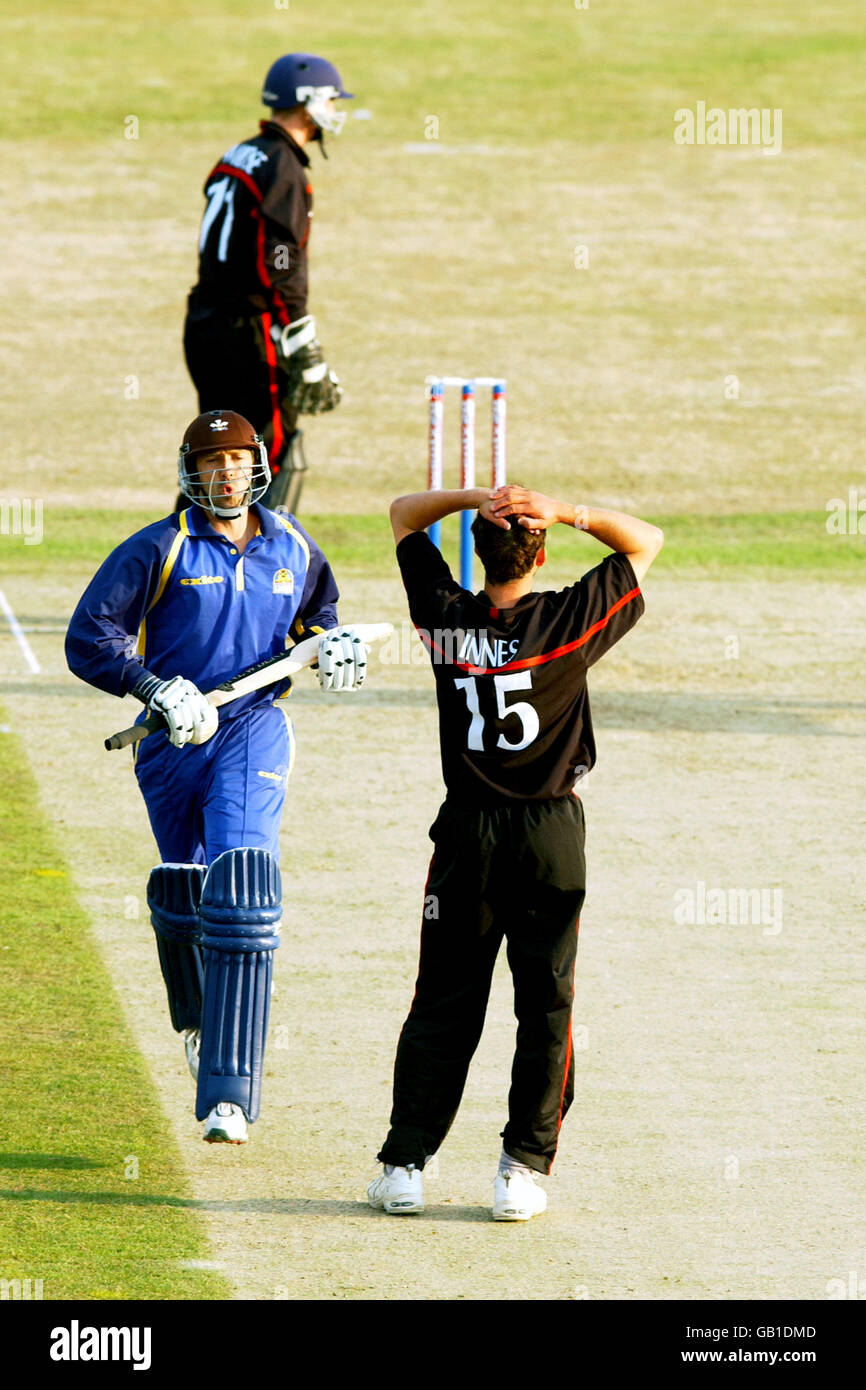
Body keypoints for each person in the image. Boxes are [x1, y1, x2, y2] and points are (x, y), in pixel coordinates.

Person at [66, 409, 371, 1144]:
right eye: (214, 461)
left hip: (253, 727)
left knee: (241, 884)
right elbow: (88, 638)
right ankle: (201, 1022)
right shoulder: (159, 548)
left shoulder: (290, 541)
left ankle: (228, 1093)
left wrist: (331, 647)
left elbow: (316, 619)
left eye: (239, 459)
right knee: (183, 893)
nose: (228, 472)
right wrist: (153, 688)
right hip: (172, 740)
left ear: (257, 465)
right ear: (191, 472)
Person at [367, 483, 663, 1219]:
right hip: (550, 835)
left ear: (477, 550)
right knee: (547, 1004)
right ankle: (521, 1171)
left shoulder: (445, 617)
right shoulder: (565, 621)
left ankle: (405, 1165)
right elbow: (644, 539)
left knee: (442, 1003)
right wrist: (561, 509)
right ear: (541, 553)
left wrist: (475, 495)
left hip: (467, 835)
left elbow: (403, 513)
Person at [182, 53, 353, 516]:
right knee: (259, 456)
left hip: (206, 322)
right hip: (250, 331)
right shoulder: (283, 166)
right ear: (309, 104)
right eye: (331, 102)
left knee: (212, 456)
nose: (335, 113)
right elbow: (281, 259)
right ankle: (250, 574)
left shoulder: (241, 153)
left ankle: (178, 568)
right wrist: (301, 336)